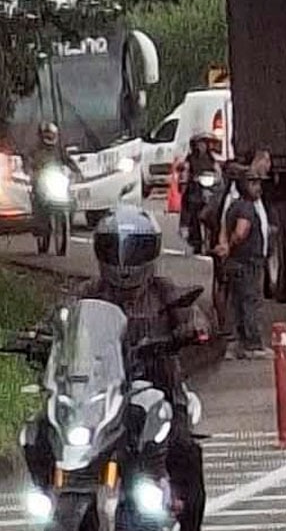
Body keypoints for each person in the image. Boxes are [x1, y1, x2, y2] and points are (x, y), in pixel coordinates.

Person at [21, 205, 210, 531]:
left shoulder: (164, 291)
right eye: (114, 249)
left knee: (183, 446)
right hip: (98, 395)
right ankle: (48, 491)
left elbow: (194, 315)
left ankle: (183, 513)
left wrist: (191, 327)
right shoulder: (88, 293)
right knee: (38, 431)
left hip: (157, 388)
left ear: (150, 252)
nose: (124, 261)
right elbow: (61, 320)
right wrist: (39, 339)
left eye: (135, 250)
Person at [215, 167, 272, 360]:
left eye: (259, 183)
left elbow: (224, 229)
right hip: (248, 263)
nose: (258, 187)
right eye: (253, 183)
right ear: (244, 186)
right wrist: (230, 245)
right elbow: (241, 232)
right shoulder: (247, 208)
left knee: (236, 303)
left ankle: (236, 344)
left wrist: (225, 248)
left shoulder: (233, 206)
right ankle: (252, 345)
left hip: (235, 263)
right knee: (250, 302)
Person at [180, 133, 221, 254]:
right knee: (190, 202)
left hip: (209, 189)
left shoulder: (211, 158)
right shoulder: (190, 159)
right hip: (195, 188)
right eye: (200, 143)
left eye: (204, 143)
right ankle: (190, 231)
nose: (202, 146)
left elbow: (218, 171)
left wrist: (218, 178)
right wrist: (186, 178)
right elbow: (186, 170)